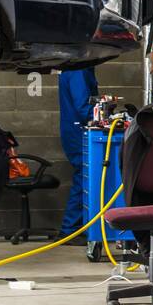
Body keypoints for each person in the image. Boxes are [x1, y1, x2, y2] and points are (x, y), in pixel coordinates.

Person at [58, 66, 99, 240]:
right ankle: (70, 229)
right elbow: (83, 105)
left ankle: (75, 227)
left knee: (83, 176)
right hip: (78, 130)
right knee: (84, 176)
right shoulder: (78, 69)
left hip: (75, 129)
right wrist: (102, 118)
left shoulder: (77, 67)